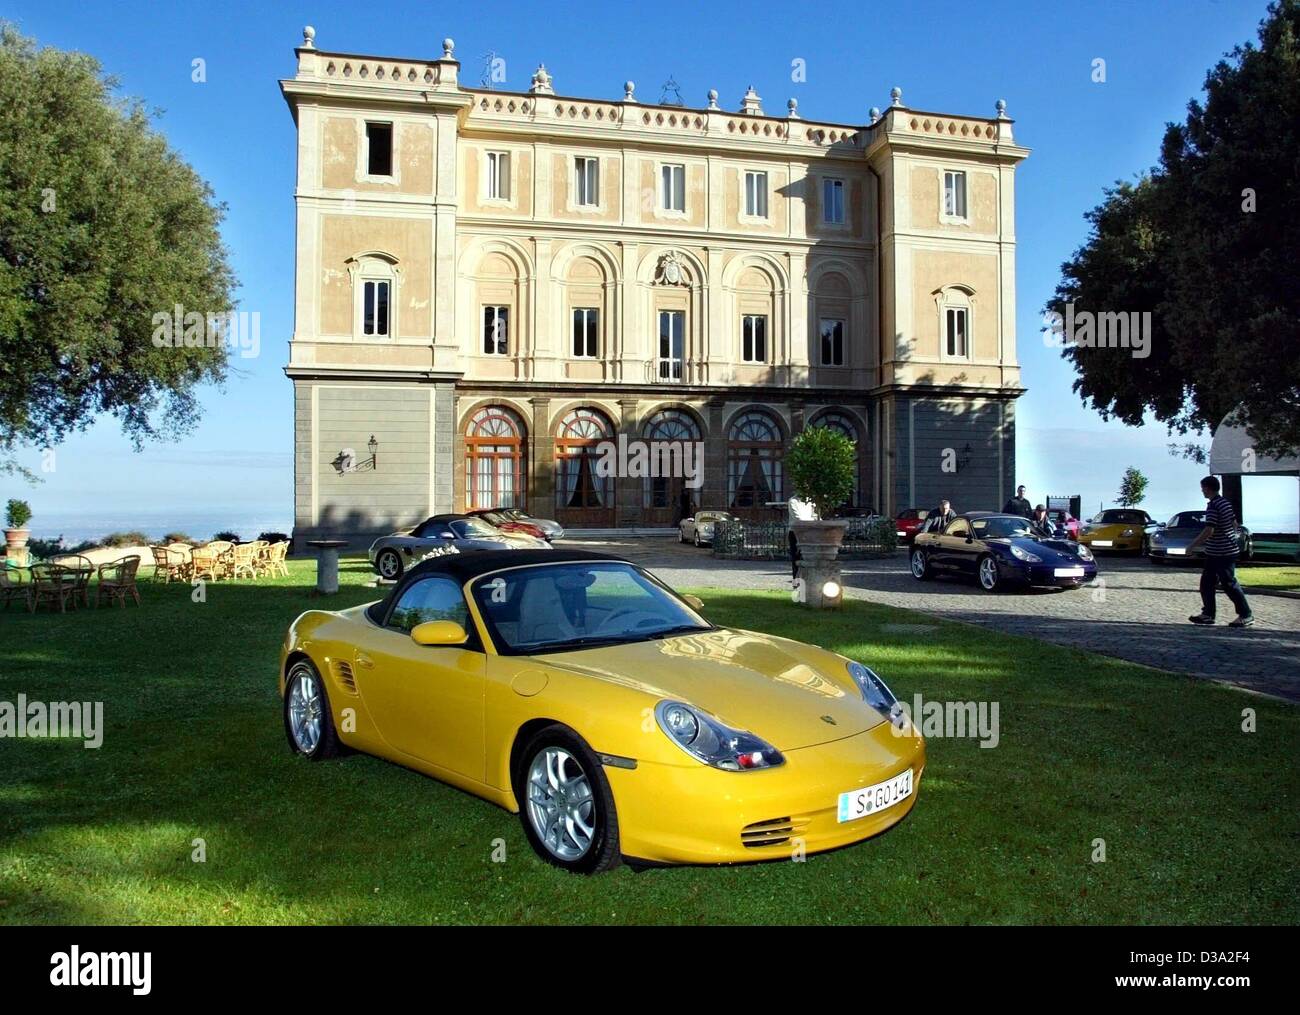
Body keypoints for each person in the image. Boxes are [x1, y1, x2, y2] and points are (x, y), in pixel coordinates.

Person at [1188, 476, 1253, 628]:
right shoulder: (1225, 503)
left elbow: (1209, 529)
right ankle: (1208, 614)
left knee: (1229, 583)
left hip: (1222, 552)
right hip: (1219, 550)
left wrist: (1192, 545)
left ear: (1208, 488)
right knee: (1207, 583)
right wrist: (1231, 535)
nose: (1202, 491)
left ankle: (1246, 614)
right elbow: (1234, 524)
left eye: (1203, 488)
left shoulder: (1214, 506)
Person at [787, 495, 816, 581]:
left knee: (810, 558)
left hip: (810, 531)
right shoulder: (793, 501)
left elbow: (814, 515)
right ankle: (797, 583)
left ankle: (809, 581)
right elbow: (797, 518)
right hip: (796, 532)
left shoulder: (811, 501)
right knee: (797, 559)